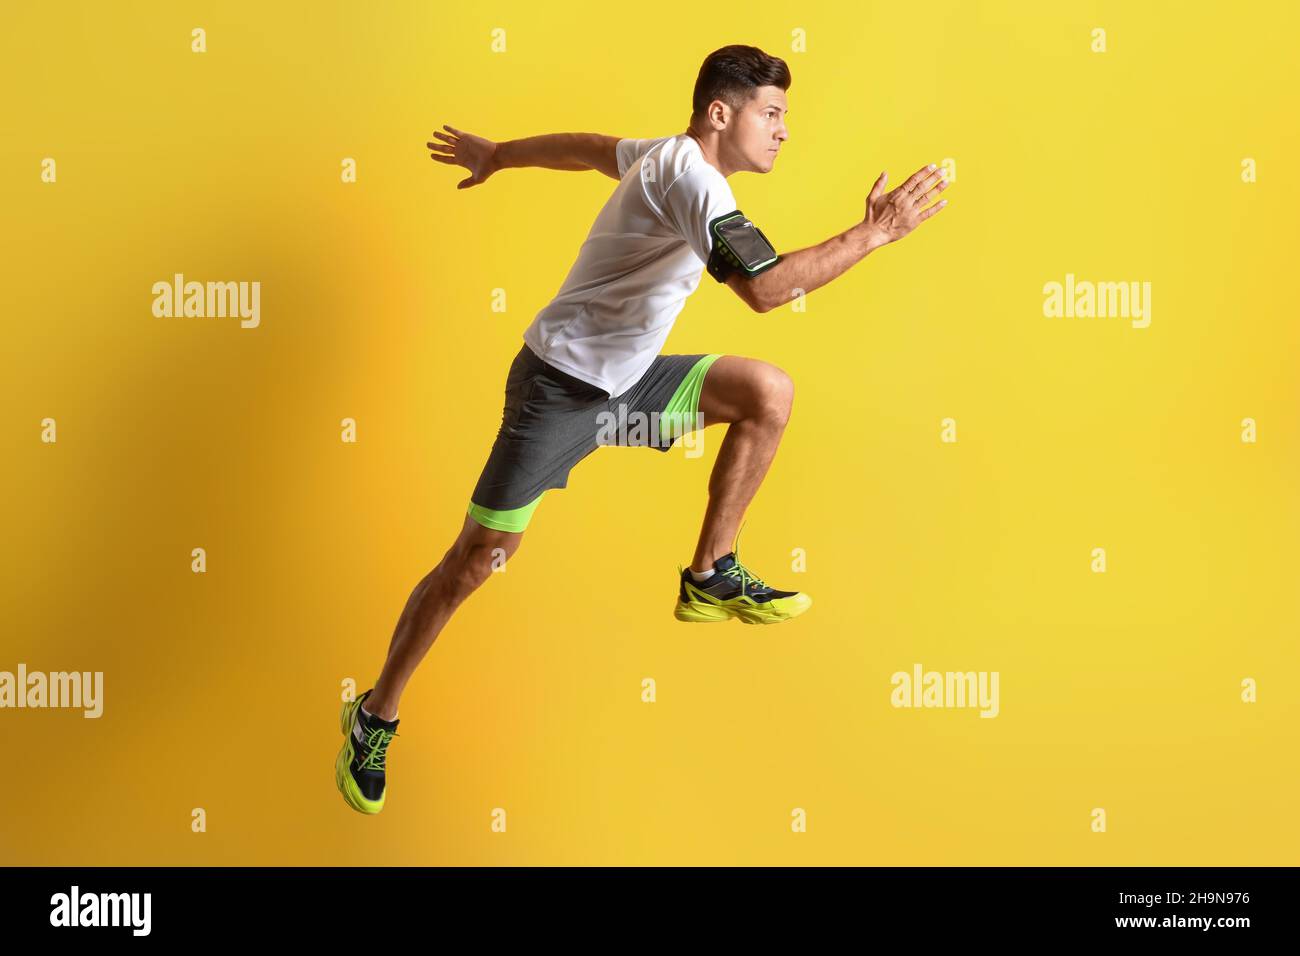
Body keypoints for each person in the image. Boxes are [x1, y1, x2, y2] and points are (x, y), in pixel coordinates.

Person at [335, 44, 949, 814]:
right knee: (477, 560)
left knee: (767, 393)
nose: (786, 130)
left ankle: (710, 572)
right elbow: (764, 290)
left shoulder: (663, 159)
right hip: (556, 391)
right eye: (773, 113)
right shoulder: (692, 179)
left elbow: (595, 151)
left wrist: (501, 154)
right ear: (720, 114)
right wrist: (875, 234)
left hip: (630, 389)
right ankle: (374, 716)